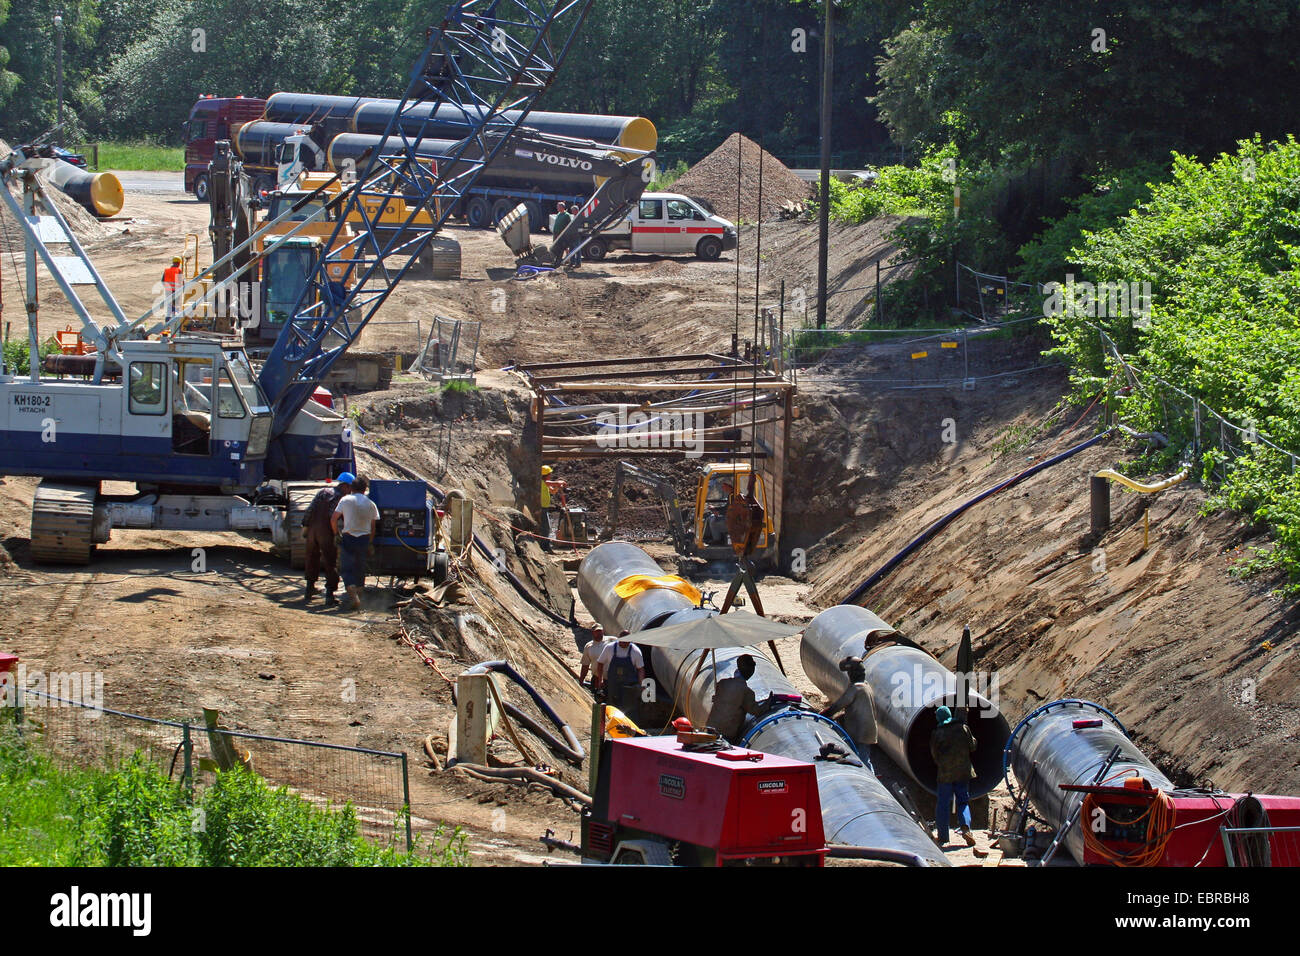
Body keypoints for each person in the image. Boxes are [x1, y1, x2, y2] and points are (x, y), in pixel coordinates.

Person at [930, 704, 978, 847]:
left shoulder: (937, 733)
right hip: (963, 771)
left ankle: (943, 836)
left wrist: (942, 764)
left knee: (943, 803)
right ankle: (965, 827)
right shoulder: (963, 728)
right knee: (963, 801)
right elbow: (972, 746)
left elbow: (934, 754)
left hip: (945, 773)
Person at [330, 474, 380, 612]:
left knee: (346, 567)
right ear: (365, 489)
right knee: (360, 567)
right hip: (364, 539)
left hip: (348, 538)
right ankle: (359, 596)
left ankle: (353, 595)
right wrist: (370, 543)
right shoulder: (371, 504)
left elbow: (334, 519)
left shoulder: (345, 500)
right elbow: (373, 527)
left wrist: (336, 534)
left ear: (352, 488)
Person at [302, 472, 352, 605]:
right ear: (345, 486)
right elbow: (333, 517)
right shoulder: (340, 498)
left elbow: (310, 509)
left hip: (313, 531)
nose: (350, 492)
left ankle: (309, 590)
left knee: (312, 558)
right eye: (350, 488)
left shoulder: (323, 491)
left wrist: (305, 525)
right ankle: (329, 594)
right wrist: (337, 534)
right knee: (330, 561)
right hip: (326, 533)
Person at [820, 656, 878, 753]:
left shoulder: (856, 688)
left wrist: (823, 714)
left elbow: (839, 705)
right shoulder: (866, 685)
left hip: (861, 732)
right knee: (864, 757)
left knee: (862, 760)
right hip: (868, 731)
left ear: (852, 673)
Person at [707, 653, 764, 742]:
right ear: (751, 671)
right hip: (725, 735)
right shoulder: (746, 692)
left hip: (709, 729)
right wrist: (768, 703)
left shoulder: (722, 683)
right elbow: (756, 711)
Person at [595, 631, 645, 721]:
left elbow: (640, 669)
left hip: (628, 687)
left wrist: (642, 684)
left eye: (626, 642)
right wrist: (600, 680)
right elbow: (600, 663)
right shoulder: (610, 648)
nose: (623, 643)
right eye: (621, 641)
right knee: (612, 706)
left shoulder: (635, 651)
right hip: (613, 684)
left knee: (629, 709)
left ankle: (629, 728)